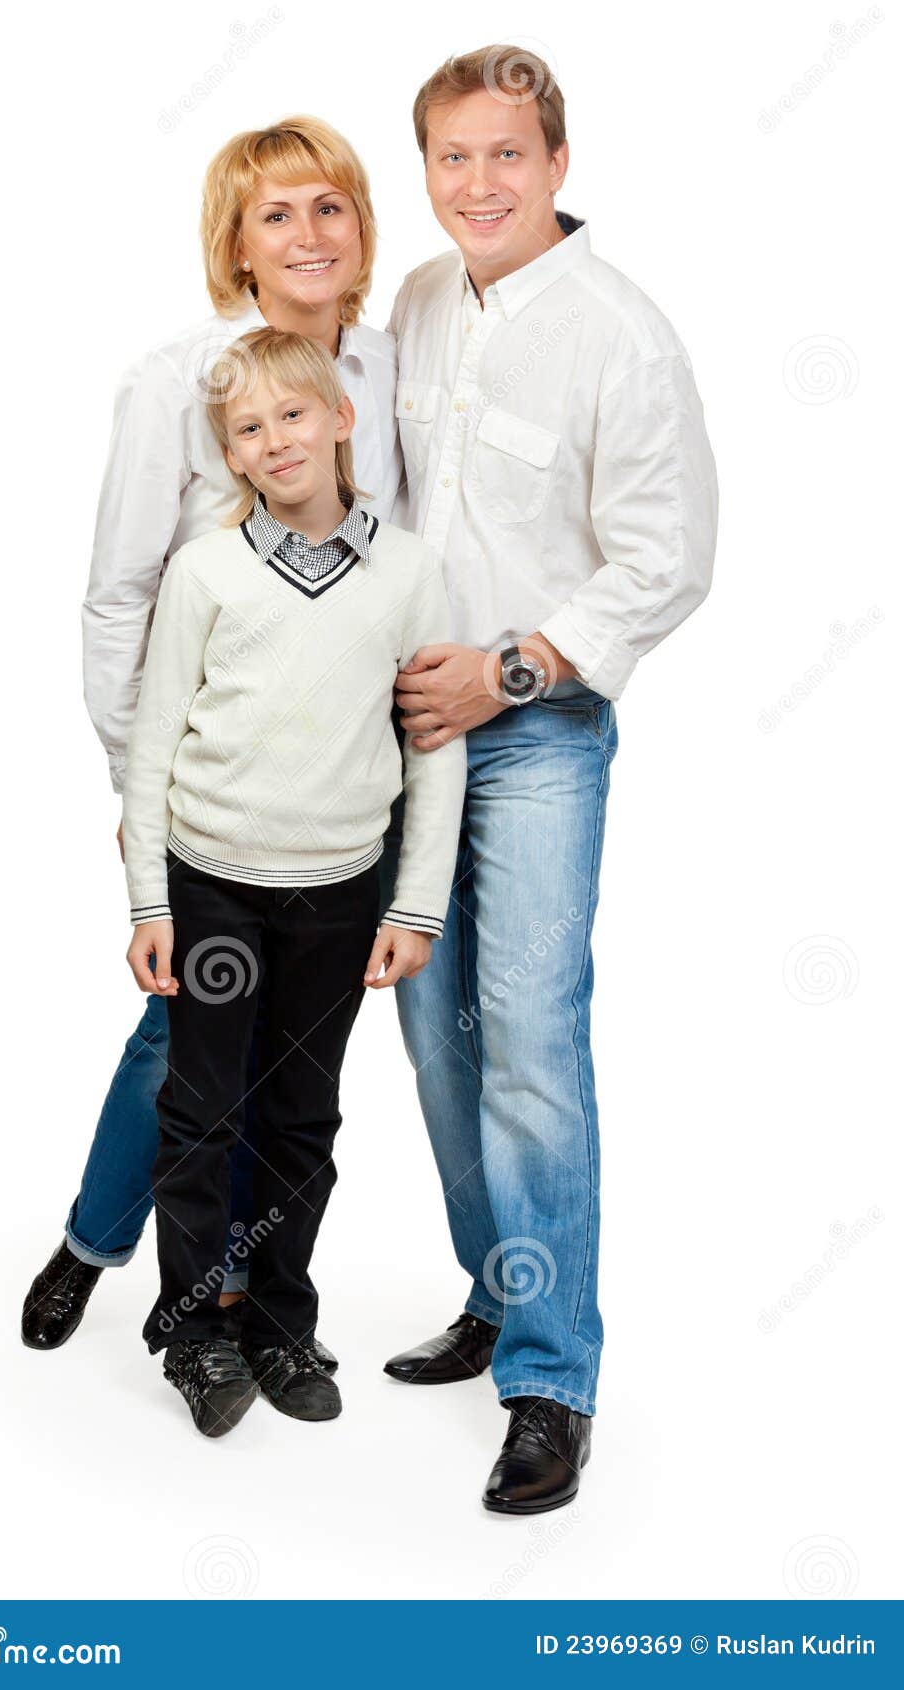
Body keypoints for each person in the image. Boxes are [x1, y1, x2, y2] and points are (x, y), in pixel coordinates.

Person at [381, 46, 718, 1512]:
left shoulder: (619, 335)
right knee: (434, 1039)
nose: (477, 185)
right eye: (451, 157)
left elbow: (667, 562)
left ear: (557, 162)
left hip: (531, 735)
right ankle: (495, 1282)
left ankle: (548, 1378)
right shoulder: (412, 302)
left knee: (525, 1037)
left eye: (503, 155)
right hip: (405, 731)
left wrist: (504, 672)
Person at [22, 118, 401, 1357]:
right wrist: (141, 780)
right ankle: (93, 1244)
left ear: (359, 229)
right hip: (211, 784)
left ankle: (236, 1290)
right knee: (182, 1026)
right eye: (274, 215)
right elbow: (119, 593)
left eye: (328, 208)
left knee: (283, 1055)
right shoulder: (174, 380)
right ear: (233, 246)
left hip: (340, 784)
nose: (306, 235)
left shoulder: (392, 370)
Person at [120, 327, 465, 1434]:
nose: (273, 441)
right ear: (228, 452)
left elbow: (433, 749)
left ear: (341, 419)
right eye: (246, 428)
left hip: (338, 896)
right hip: (213, 883)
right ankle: (195, 1326)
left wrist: (413, 904)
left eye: (292, 416)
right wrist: (149, 898)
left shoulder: (411, 571)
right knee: (201, 1109)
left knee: (300, 1115)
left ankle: (277, 1317)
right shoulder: (205, 571)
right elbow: (154, 743)